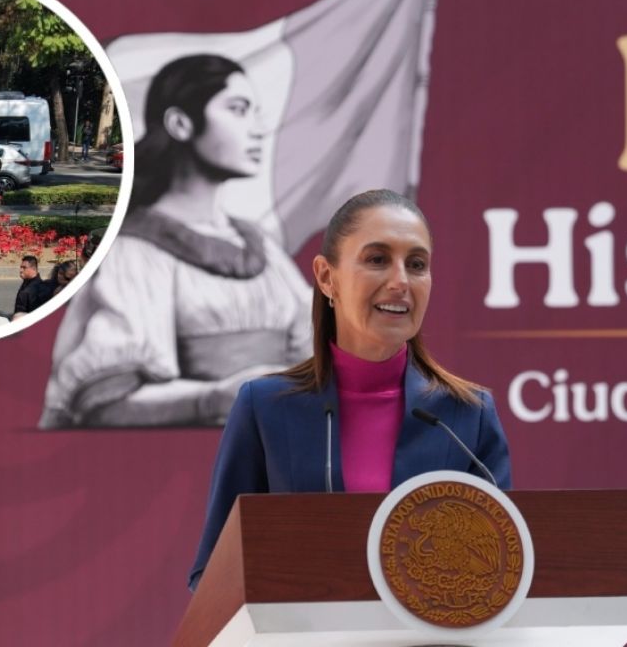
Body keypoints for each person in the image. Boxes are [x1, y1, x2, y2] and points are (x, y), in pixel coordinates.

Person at [186, 189, 512, 591]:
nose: (400, 281)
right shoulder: (266, 408)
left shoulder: (467, 415)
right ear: (327, 277)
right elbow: (214, 574)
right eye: (377, 260)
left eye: (416, 264)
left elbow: (501, 570)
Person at [39, 54, 311, 429]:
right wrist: (214, 398)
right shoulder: (136, 249)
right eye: (238, 109)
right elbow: (105, 400)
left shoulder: (259, 245)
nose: (258, 129)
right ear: (180, 123)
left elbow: (313, 353)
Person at [12, 255, 51, 320]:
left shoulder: (34, 290)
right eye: (21, 267)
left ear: (33, 269)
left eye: (24, 267)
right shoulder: (27, 282)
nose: (21, 270)